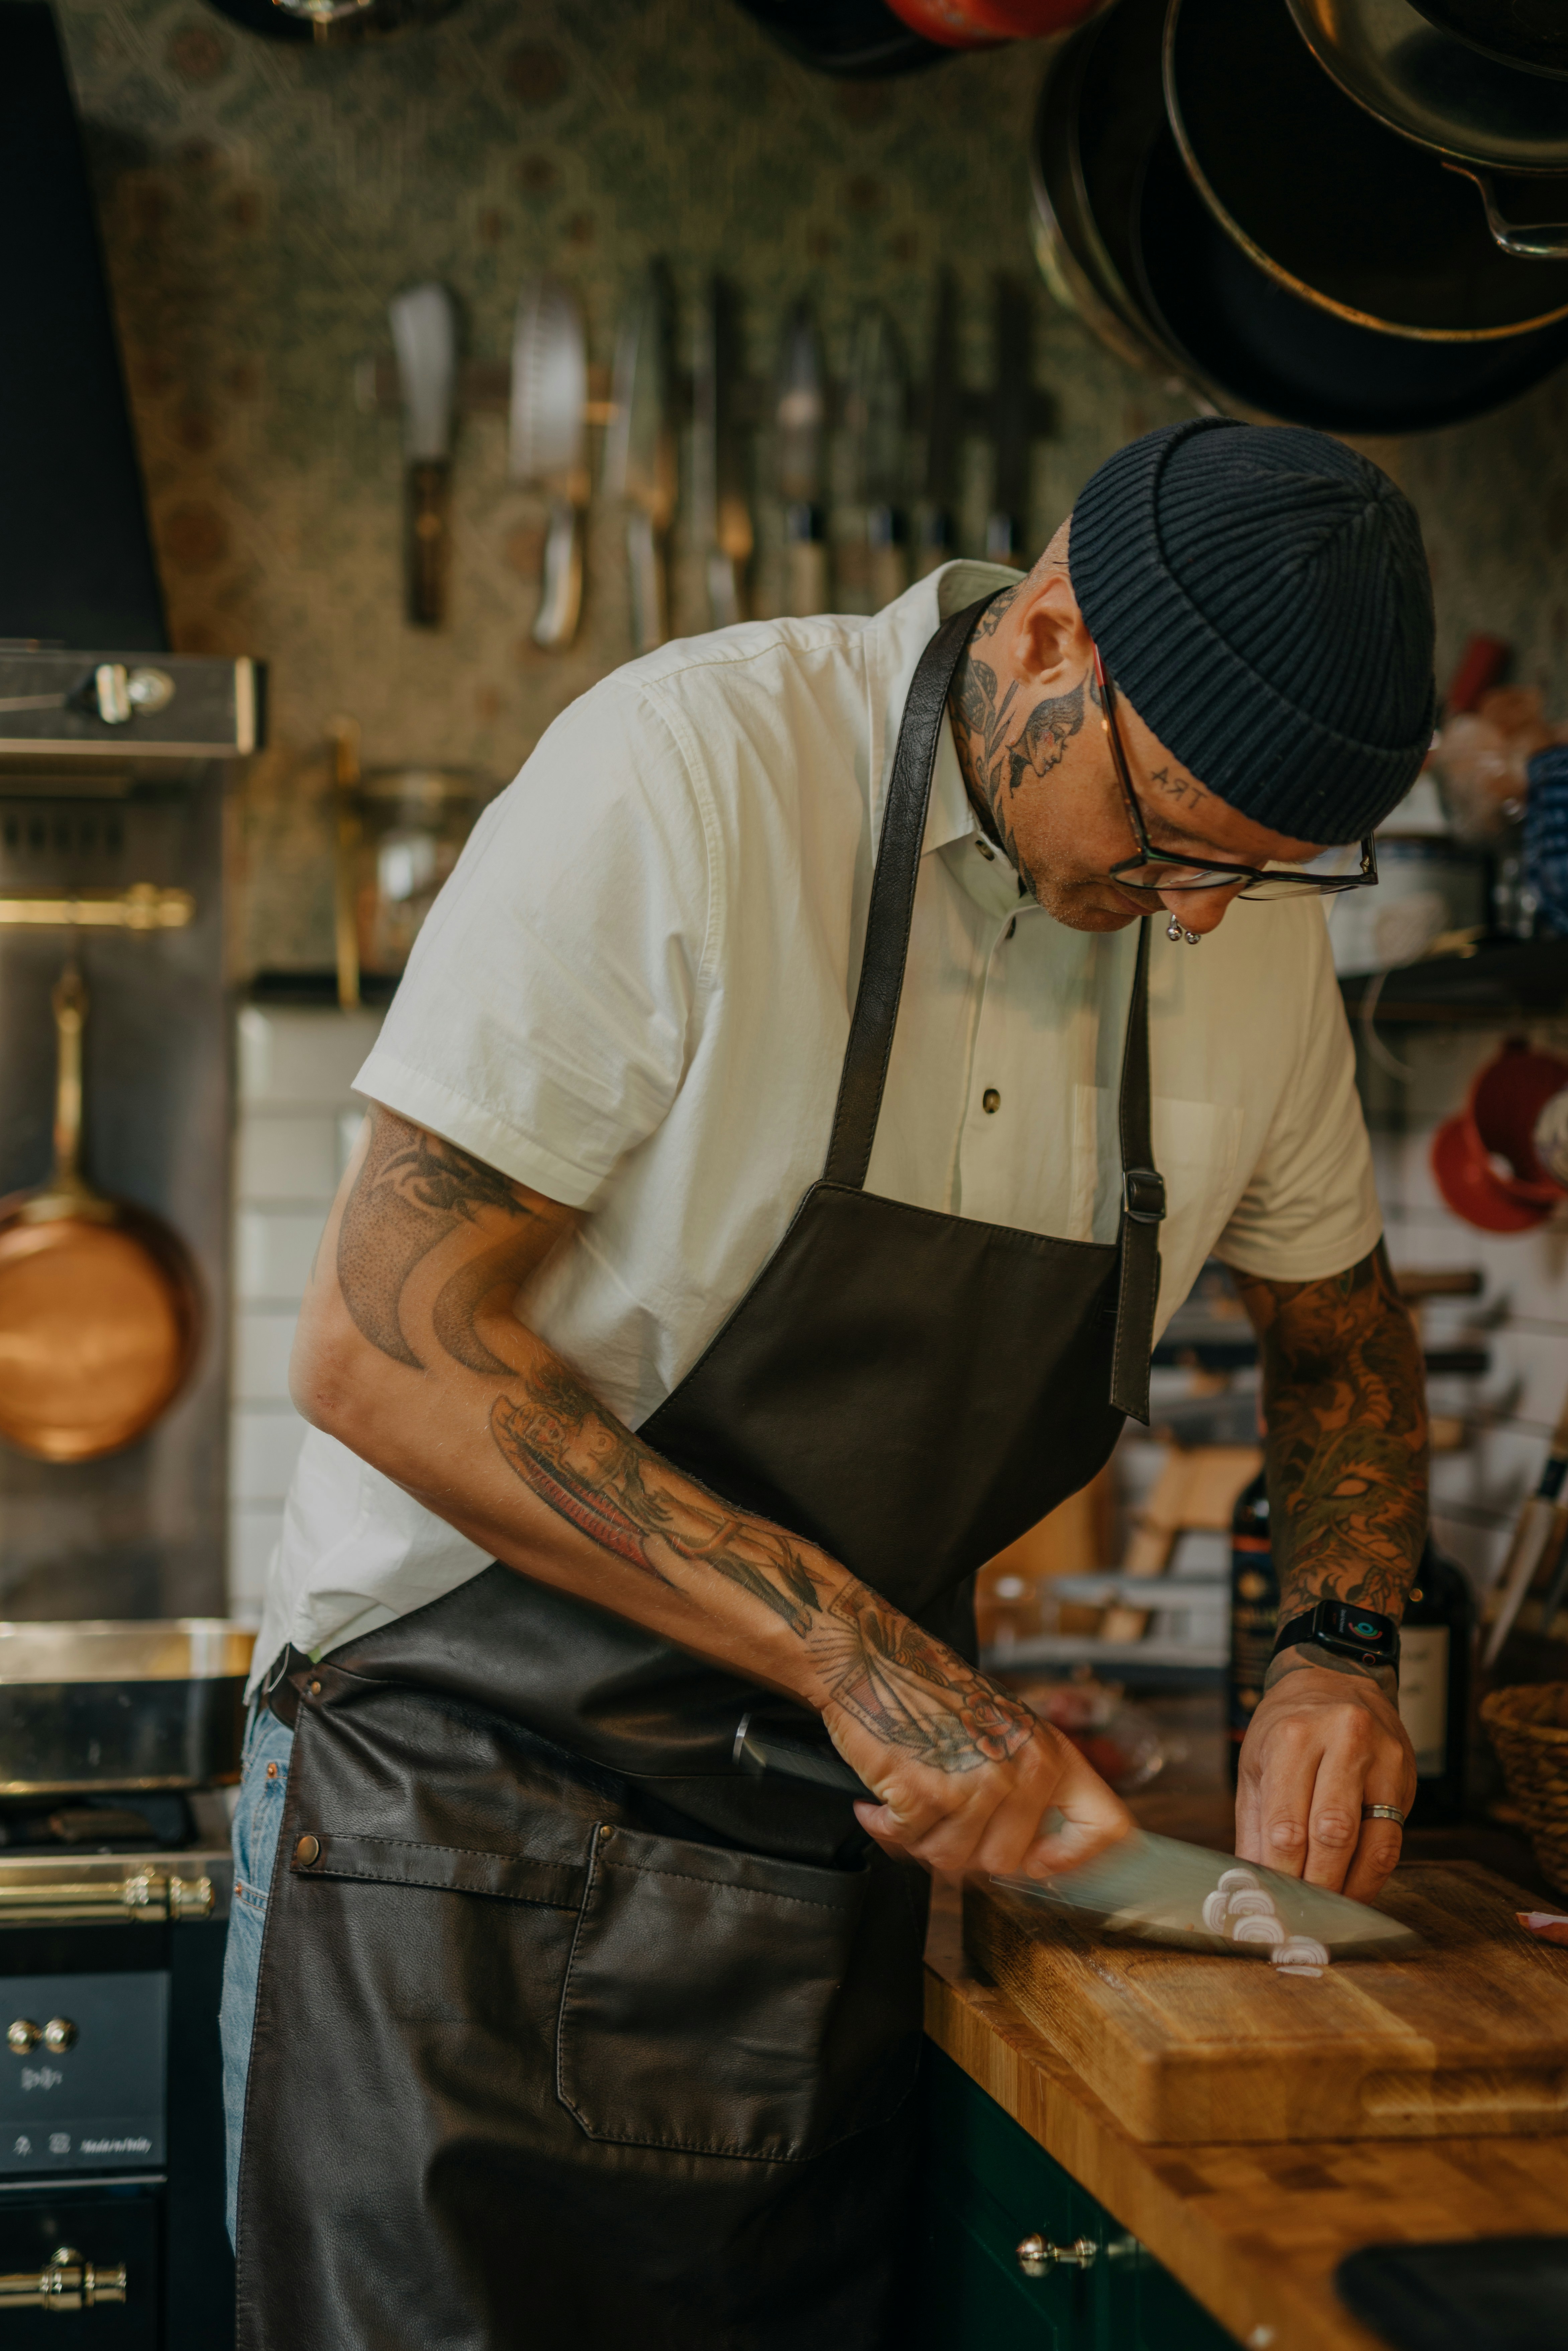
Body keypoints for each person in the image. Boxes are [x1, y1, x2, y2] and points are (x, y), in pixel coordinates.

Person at [221, 418, 1432, 2350]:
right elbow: (379, 1348)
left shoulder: (1237, 935)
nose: (1205, 911)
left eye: (1266, 877)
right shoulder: (689, 775)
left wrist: (1340, 1636)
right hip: (452, 1838)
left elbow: (1341, 1331)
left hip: (816, 1866)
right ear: (1049, 637)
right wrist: (871, 1664)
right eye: (1177, 835)